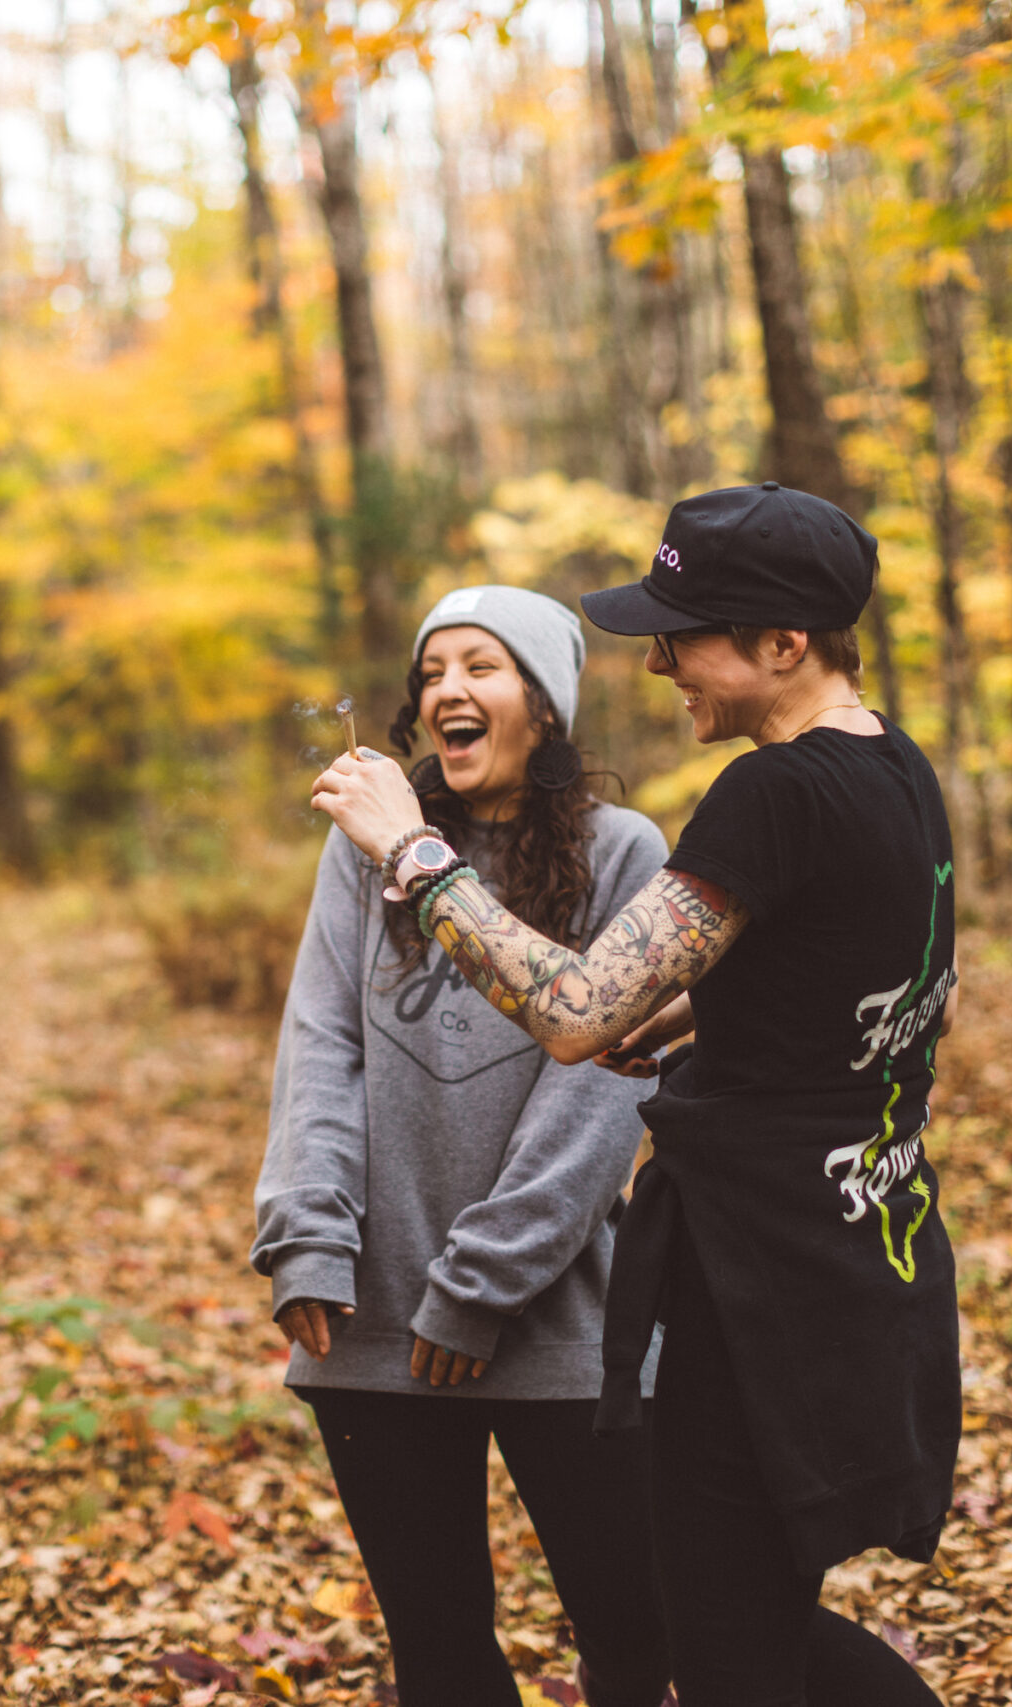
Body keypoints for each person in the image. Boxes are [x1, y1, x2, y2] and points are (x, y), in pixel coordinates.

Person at [309, 486, 958, 1707]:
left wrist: (411, 852)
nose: (656, 660)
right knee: (740, 1616)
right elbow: (903, 983)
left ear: (784, 645)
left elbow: (571, 1015)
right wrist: (719, 1009)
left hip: (760, 1282)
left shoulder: (775, 791)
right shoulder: (896, 772)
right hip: (866, 1254)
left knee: (722, 1642)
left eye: (684, 631)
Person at [254, 586, 674, 1707]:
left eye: (480, 667)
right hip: (372, 1323)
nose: (448, 689)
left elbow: (601, 1089)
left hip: (562, 1321)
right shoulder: (365, 856)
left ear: (542, 705)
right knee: (437, 1659)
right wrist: (305, 1237)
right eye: (433, 671)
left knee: (636, 1641)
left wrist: (484, 1283)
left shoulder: (624, 853)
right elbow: (319, 1048)